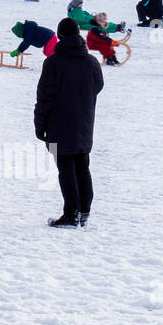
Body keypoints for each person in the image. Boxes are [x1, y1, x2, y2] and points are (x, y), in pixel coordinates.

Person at [34, 18, 104, 228]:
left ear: (60, 37)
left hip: (57, 125)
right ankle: (83, 211)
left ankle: (71, 213)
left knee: (66, 168)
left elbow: (44, 97)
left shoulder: (53, 62)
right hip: (84, 123)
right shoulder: (91, 61)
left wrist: (40, 126)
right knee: (82, 166)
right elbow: (98, 86)